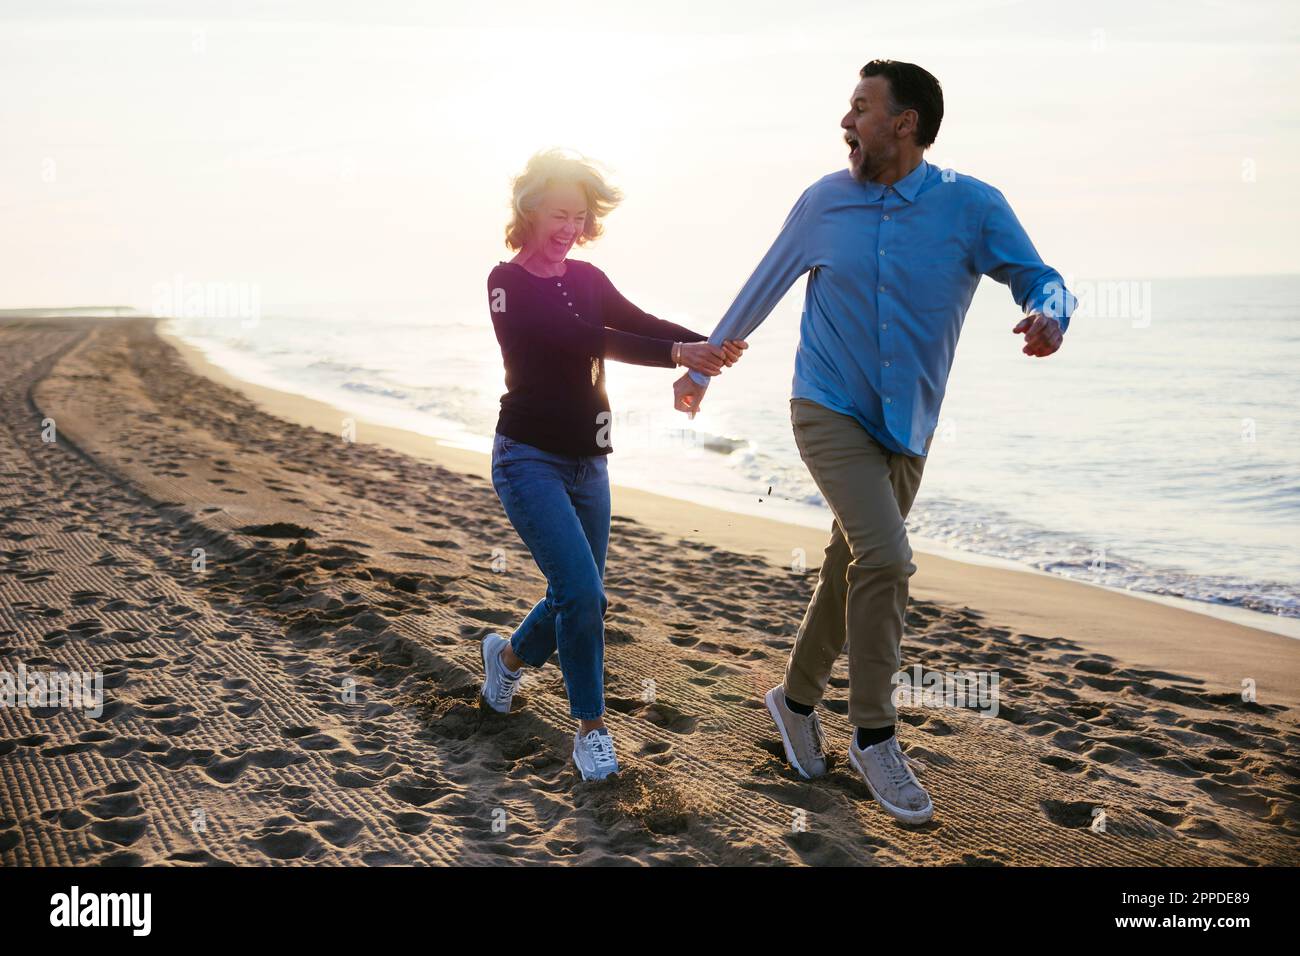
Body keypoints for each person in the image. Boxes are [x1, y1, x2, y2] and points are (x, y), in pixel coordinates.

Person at [672, 61, 1075, 824]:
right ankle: (874, 734)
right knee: (886, 559)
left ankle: (793, 702)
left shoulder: (971, 205)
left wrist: (1050, 315)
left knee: (847, 566)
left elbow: (1038, 275)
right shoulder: (825, 201)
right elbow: (767, 280)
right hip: (825, 406)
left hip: (908, 428)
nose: (845, 121)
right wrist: (706, 365)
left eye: (860, 108)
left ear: (906, 122)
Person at [481, 148, 746, 781]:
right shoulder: (506, 284)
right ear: (530, 212)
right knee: (581, 592)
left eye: (579, 215)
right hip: (528, 459)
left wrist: (704, 349)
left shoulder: (588, 279)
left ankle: (507, 661)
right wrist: (679, 351)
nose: (569, 227)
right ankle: (591, 731)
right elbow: (584, 339)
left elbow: (636, 322)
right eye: (557, 214)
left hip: (589, 462)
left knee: (584, 599)